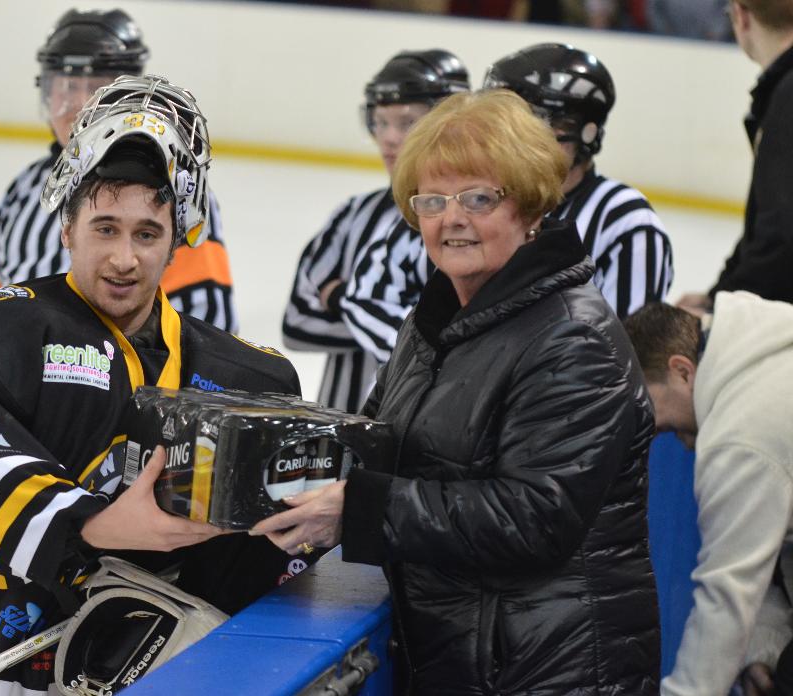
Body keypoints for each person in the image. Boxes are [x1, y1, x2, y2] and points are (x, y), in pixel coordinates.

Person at [0, 76, 303, 696]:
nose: (123, 259)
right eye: (104, 227)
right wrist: (91, 524)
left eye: (146, 233)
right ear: (67, 226)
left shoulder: (249, 379)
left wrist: (305, 526)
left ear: (180, 238)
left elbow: (271, 558)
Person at [254, 89, 661, 694]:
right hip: (468, 655)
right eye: (433, 200)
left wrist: (360, 509)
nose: (453, 219)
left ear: (528, 207)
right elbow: (377, 441)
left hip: (551, 669)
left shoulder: (573, 338)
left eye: (478, 198)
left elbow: (534, 517)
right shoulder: (437, 321)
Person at [342, 42, 672, 366]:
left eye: (527, 121)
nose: (505, 133)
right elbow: (367, 295)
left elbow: (619, 358)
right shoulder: (447, 200)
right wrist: (436, 364)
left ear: (584, 132)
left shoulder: (623, 219)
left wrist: (458, 366)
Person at [0, 9, 238, 332]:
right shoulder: (25, 188)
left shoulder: (177, 189)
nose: (80, 104)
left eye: (96, 87)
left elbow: (207, 335)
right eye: (66, 87)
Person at [281, 49, 469, 412]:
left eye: (407, 122)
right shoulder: (352, 214)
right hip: (336, 423)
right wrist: (388, 314)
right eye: (379, 122)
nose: (389, 138)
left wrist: (339, 297)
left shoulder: (466, 225)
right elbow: (296, 323)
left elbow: (449, 344)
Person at [624, 295, 793, 696]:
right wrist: (764, 645)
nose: (677, 441)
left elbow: (726, 596)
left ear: (682, 371)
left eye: (658, 420)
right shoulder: (766, 335)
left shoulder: (739, 437)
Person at [678, 0, 793, 314]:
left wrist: (719, 311)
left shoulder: (787, 96)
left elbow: (781, 238)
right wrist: (718, 294)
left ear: (741, 18)